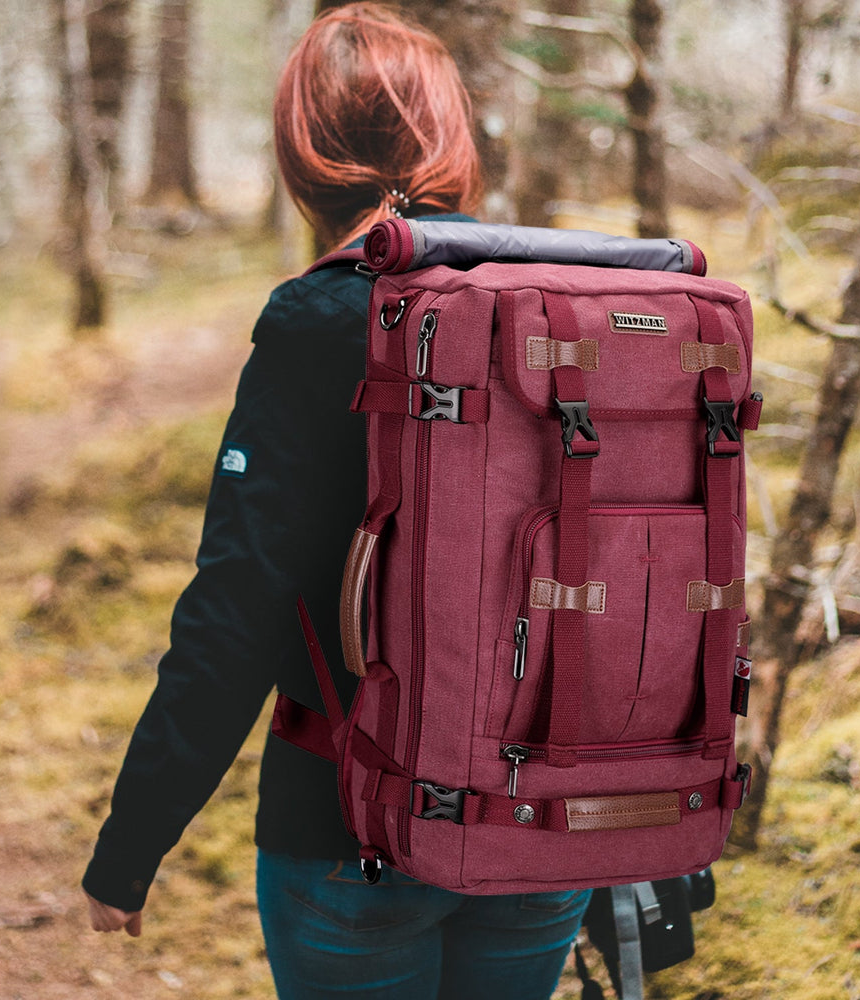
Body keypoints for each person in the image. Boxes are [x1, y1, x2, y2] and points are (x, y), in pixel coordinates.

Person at [82, 5, 593, 998]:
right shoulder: (558, 304)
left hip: (348, 833)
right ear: (451, 139)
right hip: (543, 827)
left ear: (303, 154)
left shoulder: (318, 317)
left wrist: (131, 845)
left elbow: (237, 610)